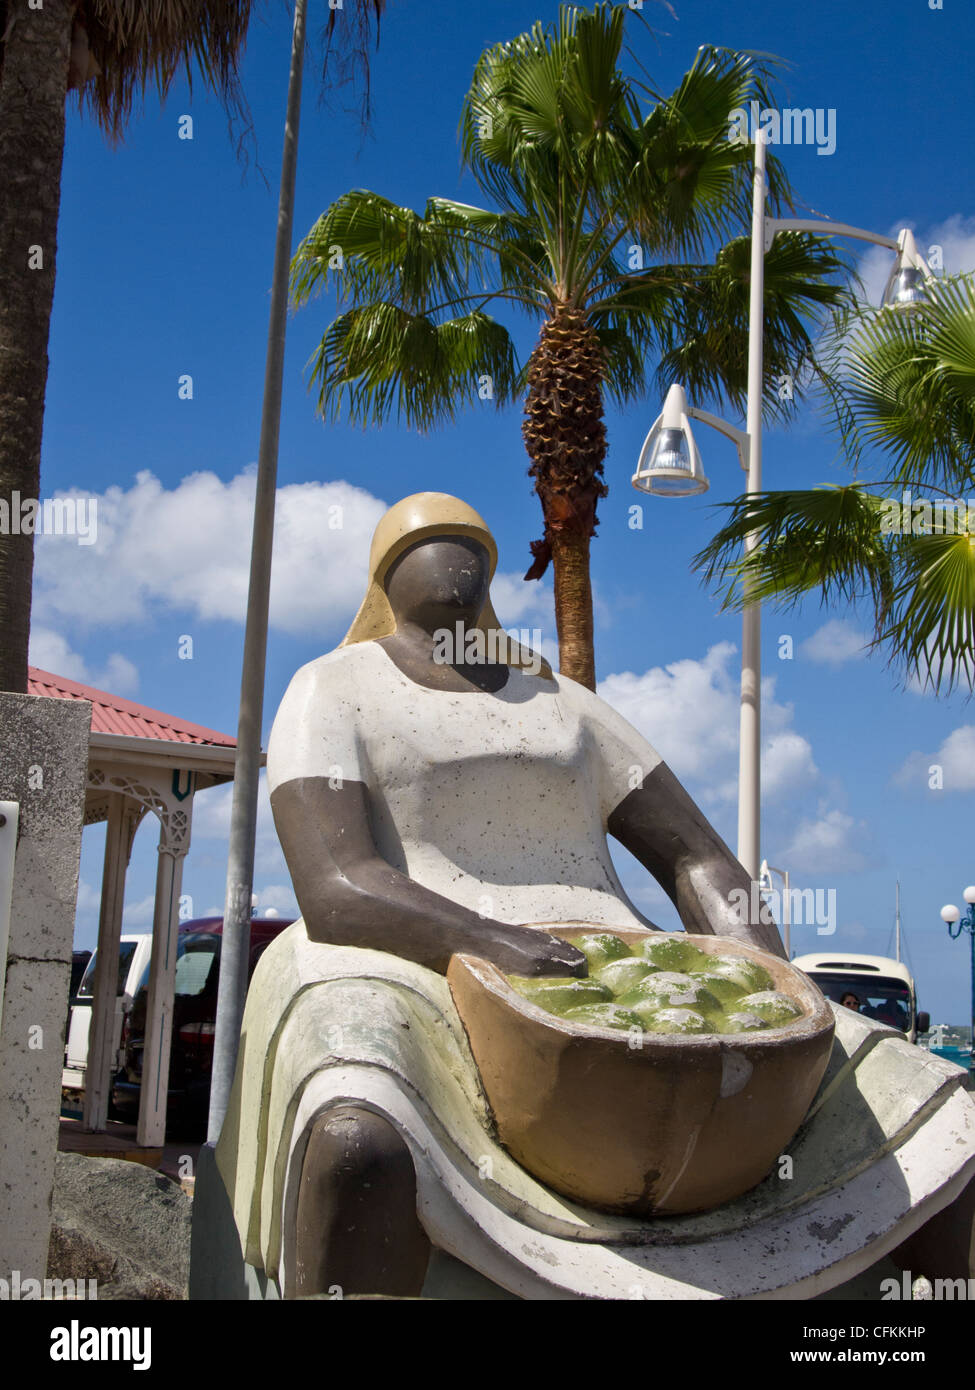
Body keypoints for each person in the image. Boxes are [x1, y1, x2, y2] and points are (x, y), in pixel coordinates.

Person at [216, 492, 787, 1298]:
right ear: (383, 576)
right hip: (402, 951)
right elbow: (337, 885)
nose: (452, 562)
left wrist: (768, 970)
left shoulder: (570, 711)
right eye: (427, 547)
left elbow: (699, 858)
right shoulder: (332, 688)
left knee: (915, 1097)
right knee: (362, 1138)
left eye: (469, 548)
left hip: (611, 958)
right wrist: (489, 941)